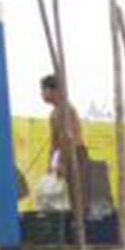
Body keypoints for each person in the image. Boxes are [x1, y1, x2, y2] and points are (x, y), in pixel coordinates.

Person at [41, 74, 91, 216]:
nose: (42, 95)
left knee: (78, 194)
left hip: (76, 153)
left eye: (44, 90)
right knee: (66, 194)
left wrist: (62, 161)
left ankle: (80, 222)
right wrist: (50, 165)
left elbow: (69, 138)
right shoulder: (53, 114)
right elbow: (54, 143)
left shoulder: (66, 109)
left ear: (54, 91)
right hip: (65, 155)